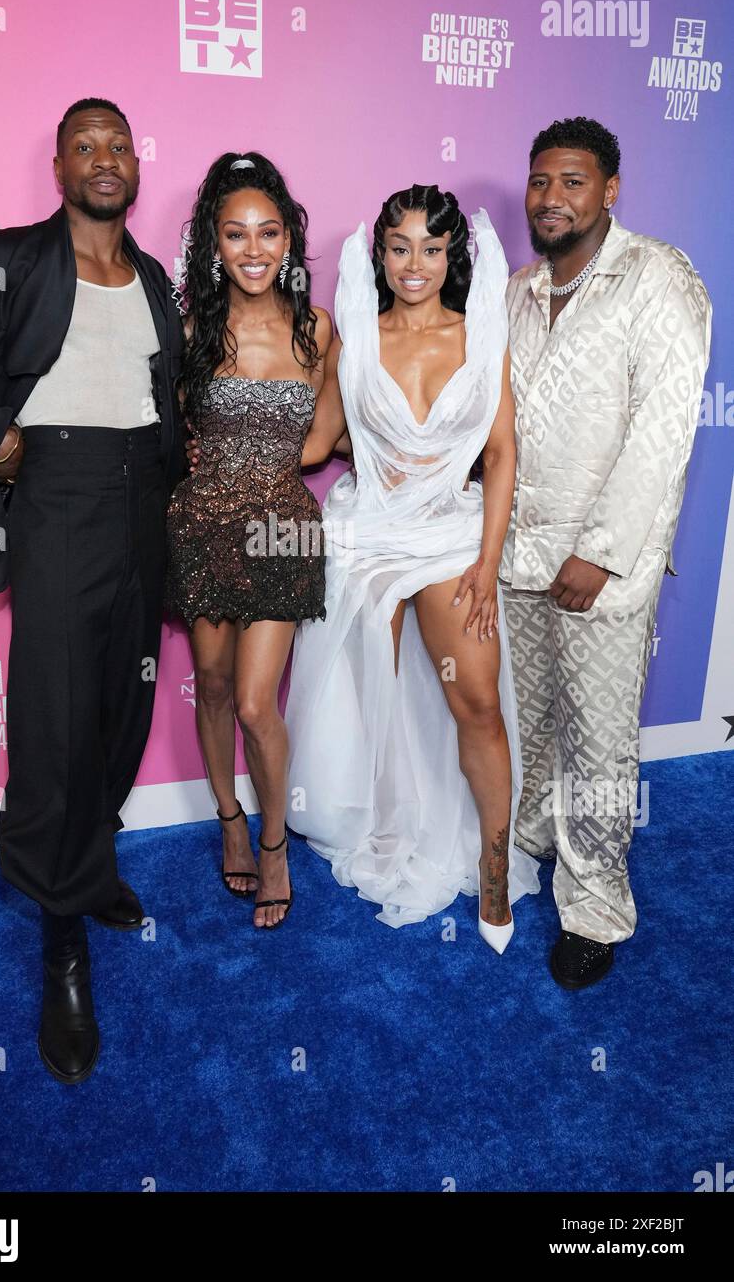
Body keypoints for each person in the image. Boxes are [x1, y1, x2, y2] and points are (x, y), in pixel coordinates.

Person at [0, 98, 187, 1082]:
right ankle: (62, 936)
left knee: (123, 701)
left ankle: (89, 866)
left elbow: (164, 399)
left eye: (119, 145)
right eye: (85, 145)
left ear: (135, 164)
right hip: (57, 500)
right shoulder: (0, 257)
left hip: (143, 498)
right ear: (59, 163)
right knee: (54, 715)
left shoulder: (151, 279)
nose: (105, 159)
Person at [282, 185, 541, 948]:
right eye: (399, 248)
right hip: (368, 534)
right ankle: (390, 827)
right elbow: (314, 442)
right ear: (380, 255)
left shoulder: (479, 335)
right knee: (370, 700)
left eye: (431, 248)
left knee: (478, 706)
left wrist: (487, 563)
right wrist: (243, 417)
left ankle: (493, 872)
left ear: (452, 254)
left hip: (452, 541)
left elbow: (499, 456)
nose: (414, 265)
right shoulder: (355, 340)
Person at [501, 116, 712, 988]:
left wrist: (601, 554)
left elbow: (661, 436)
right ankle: (528, 844)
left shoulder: (656, 278)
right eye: (540, 181)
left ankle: (594, 907)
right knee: (531, 722)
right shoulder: (516, 289)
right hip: (515, 556)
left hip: (599, 568)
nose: (552, 198)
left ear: (610, 189)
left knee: (598, 745)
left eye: (573, 181)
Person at [166, 151, 334, 929]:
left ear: (289, 242)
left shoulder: (316, 331)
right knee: (212, 683)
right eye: (236, 235)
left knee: (258, 702)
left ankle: (272, 842)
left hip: (278, 530)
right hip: (202, 525)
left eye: (268, 233)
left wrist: (262, 454)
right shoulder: (190, 328)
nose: (255, 250)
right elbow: (165, 429)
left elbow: (322, 438)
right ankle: (227, 819)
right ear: (214, 245)